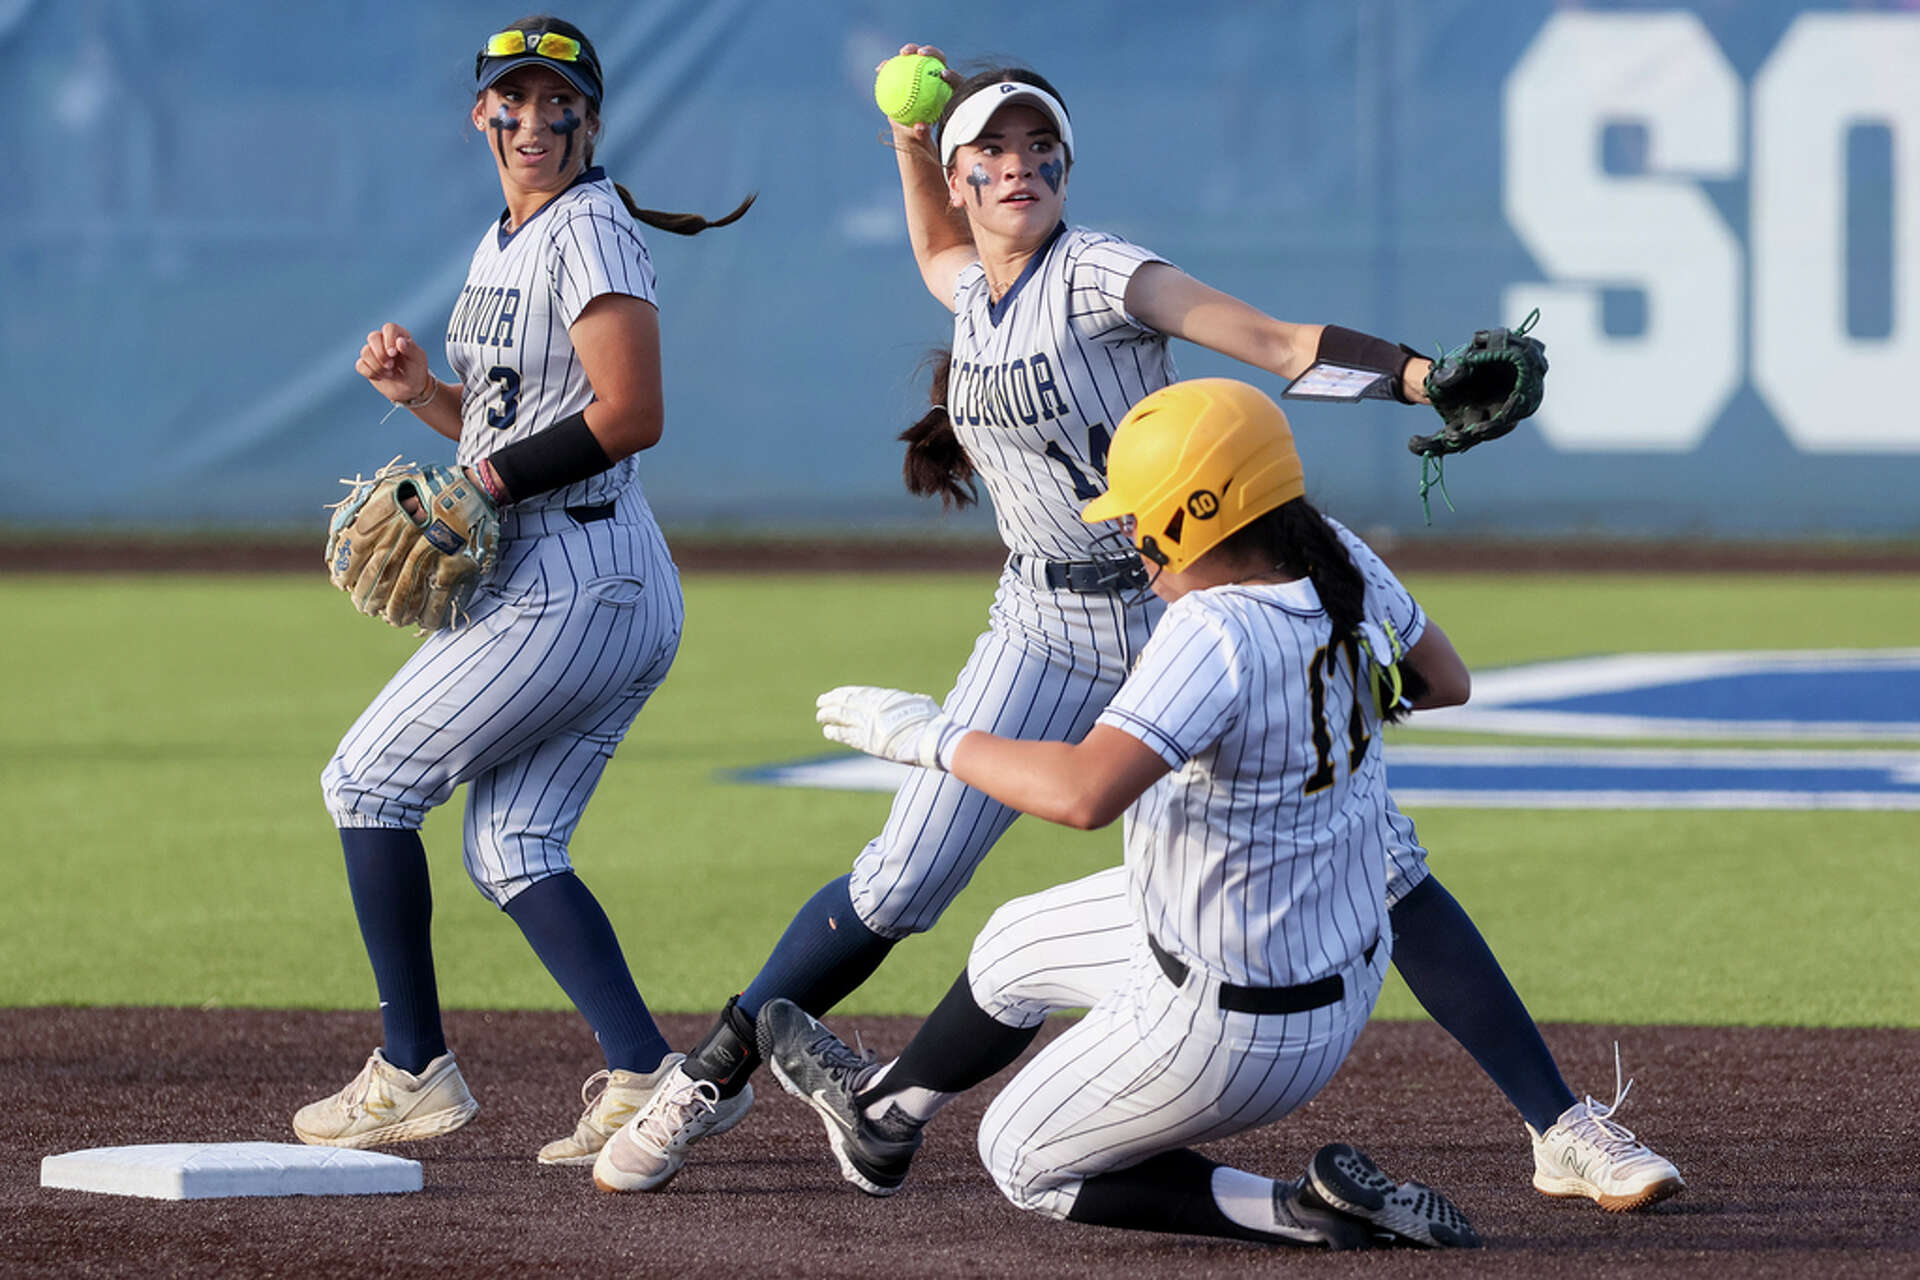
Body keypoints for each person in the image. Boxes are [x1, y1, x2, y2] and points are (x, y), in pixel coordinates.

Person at [604, 49, 1682, 1213]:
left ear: (1065, 164)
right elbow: (935, 252)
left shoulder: (1098, 271)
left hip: (1183, 590)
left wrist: (1421, 377)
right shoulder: (975, 287)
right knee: (904, 874)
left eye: (1037, 146)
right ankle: (712, 1072)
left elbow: (1266, 341)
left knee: (1382, 857)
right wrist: (915, 148)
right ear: (963, 177)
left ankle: (1563, 1127)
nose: (1019, 164)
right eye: (992, 152)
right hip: (1041, 612)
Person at [762, 376, 1480, 1250]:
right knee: (1013, 944)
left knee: (1018, 1157)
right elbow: (1445, 681)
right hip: (1325, 953)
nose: (1131, 534)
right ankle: (884, 1118)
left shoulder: (1213, 627)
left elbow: (1082, 795)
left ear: (1198, 513)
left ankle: (1300, 1211)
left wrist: (931, 739)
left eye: (1144, 514)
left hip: (1233, 1023)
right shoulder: (1336, 559)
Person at [294, 15, 755, 1169]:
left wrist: (483, 474)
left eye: (561, 103)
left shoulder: (590, 229)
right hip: (588, 571)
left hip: (574, 574)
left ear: (594, 119)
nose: (536, 121)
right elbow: (523, 421)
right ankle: (654, 1073)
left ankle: (412, 1068)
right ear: (478, 116)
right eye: (515, 100)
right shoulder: (511, 236)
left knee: (366, 778)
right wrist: (427, 402)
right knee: (513, 842)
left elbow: (630, 414)